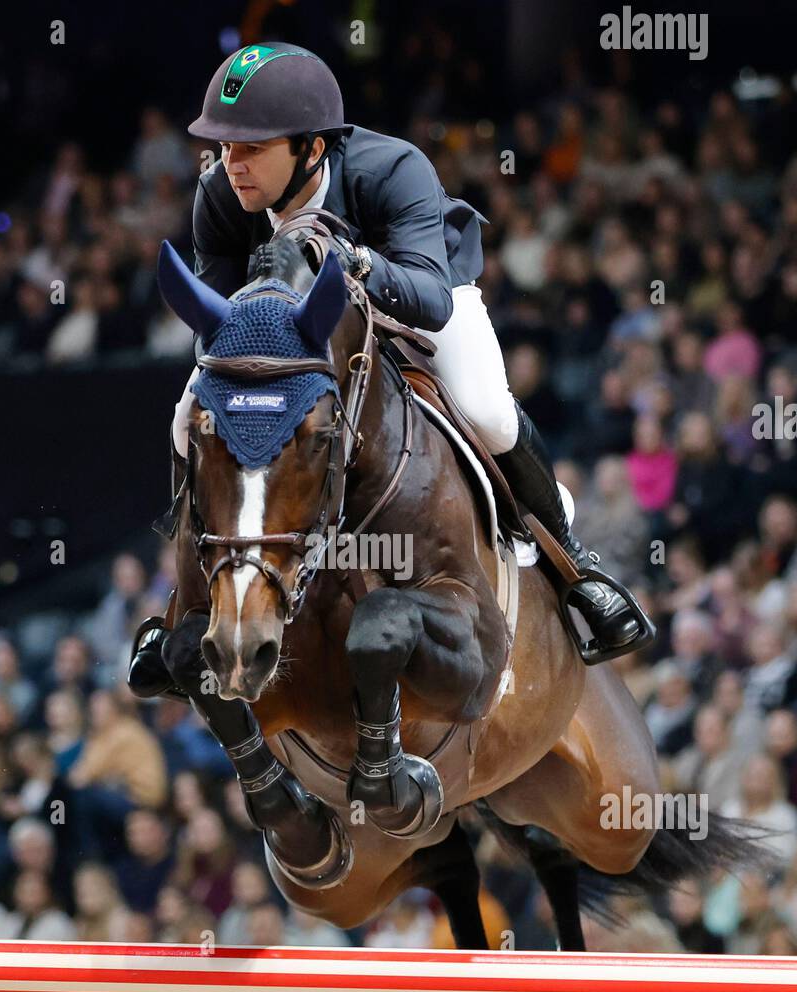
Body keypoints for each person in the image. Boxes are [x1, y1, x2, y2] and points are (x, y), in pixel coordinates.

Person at [161, 42, 648, 663]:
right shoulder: (220, 196)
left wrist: (352, 262)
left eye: (251, 147)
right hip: (300, 339)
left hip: (413, 303)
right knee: (186, 421)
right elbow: (222, 326)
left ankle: (575, 568)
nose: (232, 164)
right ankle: (189, 605)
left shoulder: (391, 168)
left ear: (311, 148)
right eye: (226, 146)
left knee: (488, 411)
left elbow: (429, 296)